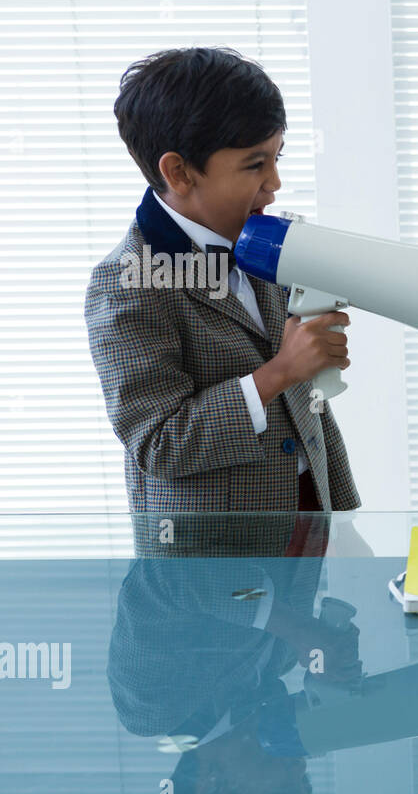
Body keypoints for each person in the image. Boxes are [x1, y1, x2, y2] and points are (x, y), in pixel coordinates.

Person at [85, 47, 358, 525]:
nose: (275, 182)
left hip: (311, 514)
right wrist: (281, 371)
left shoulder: (260, 235)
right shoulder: (126, 283)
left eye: (277, 158)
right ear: (180, 172)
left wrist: (345, 521)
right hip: (212, 561)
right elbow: (159, 442)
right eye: (255, 165)